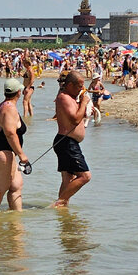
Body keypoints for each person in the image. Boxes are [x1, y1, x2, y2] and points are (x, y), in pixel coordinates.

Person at [0, 78, 29, 212]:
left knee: (16, 186)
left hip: (3, 151)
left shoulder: (0, 107)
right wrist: (22, 155)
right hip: (3, 150)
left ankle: (16, 220)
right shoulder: (9, 109)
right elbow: (10, 133)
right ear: (19, 92)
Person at [52, 71, 91, 207]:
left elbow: (79, 115)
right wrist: (84, 103)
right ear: (69, 85)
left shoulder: (72, 97)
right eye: (79, 86)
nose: (82, 89)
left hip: (69, 142)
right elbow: (74, 119)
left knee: (68, 178)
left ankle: (63, 207)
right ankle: (59, 203)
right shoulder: (64, 97)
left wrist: (83, 103)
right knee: (85, 176)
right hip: (65, 142)